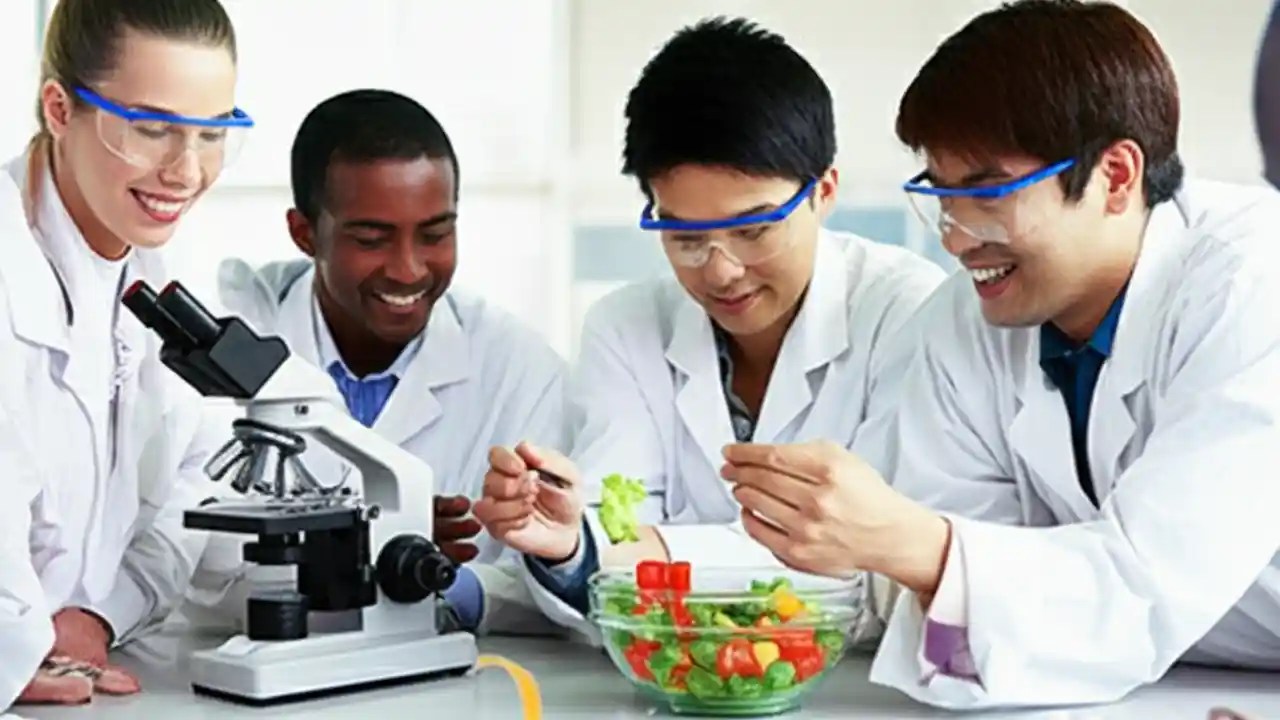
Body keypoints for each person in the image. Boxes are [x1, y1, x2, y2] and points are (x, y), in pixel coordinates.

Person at [720, 0, 1280, 709]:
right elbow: (963, 623)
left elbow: (1150, 584)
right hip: (1163, 682)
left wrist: (906, 541)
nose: (954, 239)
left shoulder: (1255, 281)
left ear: (1114, 175)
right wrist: (897, 548)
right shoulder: (965, 320)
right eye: (941, 196)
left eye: (986, 194)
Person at [475, 17, 945, 640]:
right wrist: (566, 544)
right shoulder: (625, 326)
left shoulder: (908, 311)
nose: (721, 272)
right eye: (686, 237)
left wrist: (634, 554)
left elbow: (867, 568)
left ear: (823, 191)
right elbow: (609, 545)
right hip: (670, 681)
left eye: (753, 230)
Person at [201, 89, 568, 637]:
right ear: (305, 233)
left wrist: (433, 577)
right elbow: (191, 560)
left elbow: (550, 585)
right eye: (372, 239)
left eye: (436, 234)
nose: (407, 269)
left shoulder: (519, 366)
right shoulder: (238, 329)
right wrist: (346, 558)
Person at [0, 0, 249, 708]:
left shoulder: (158, 264)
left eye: (213, 134)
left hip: (88, 673)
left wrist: (105, 610)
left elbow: (202, 465)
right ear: (58, 108)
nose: (186, 172)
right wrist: (11, 649)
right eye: (150, 129)